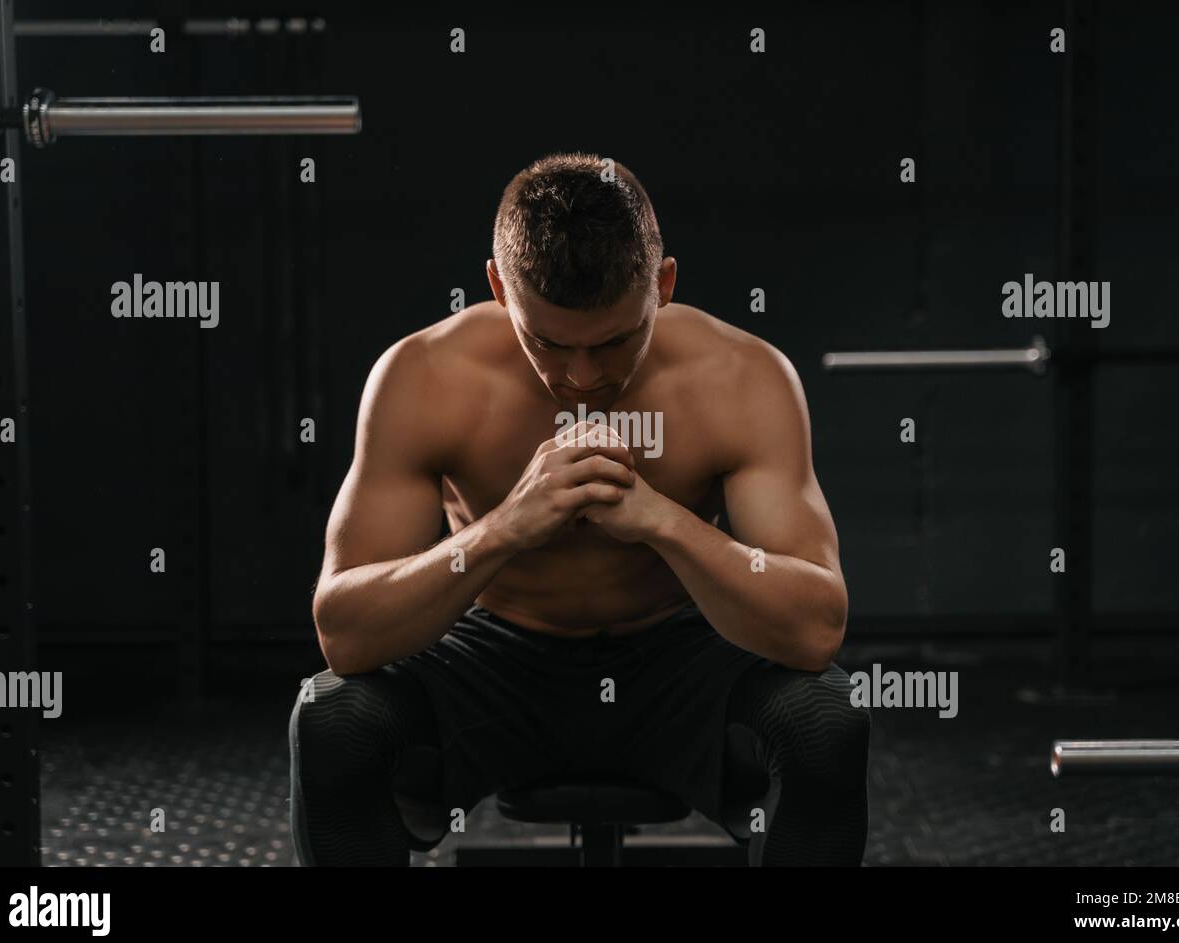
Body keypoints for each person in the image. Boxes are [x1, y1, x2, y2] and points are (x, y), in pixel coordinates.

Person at [289, 152, 870, 866]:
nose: (584, 377)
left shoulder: (741, 377)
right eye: (549, 343)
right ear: (499, 288)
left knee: (826, 720)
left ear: (663, 285)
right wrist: (504, 530)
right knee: (331, 717)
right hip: (491, 660)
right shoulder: (424, 378)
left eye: (616, 340)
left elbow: (816, 627)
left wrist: (663, 522)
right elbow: (343, 633)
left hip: (677, 657)